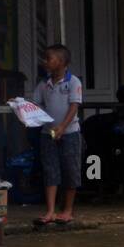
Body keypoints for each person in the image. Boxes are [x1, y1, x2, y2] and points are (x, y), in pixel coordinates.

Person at [32, 44, 83, 227]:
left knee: (70, 170)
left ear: (62, 62)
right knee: (50, 171)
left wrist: (62, 127)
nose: (45, 62)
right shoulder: (44, 83)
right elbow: (36, 104)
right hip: (48, 133)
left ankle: (67, 210)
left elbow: (73, 107)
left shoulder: (73, 82)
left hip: (69, 133)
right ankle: (51, 210)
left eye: (49, 59)